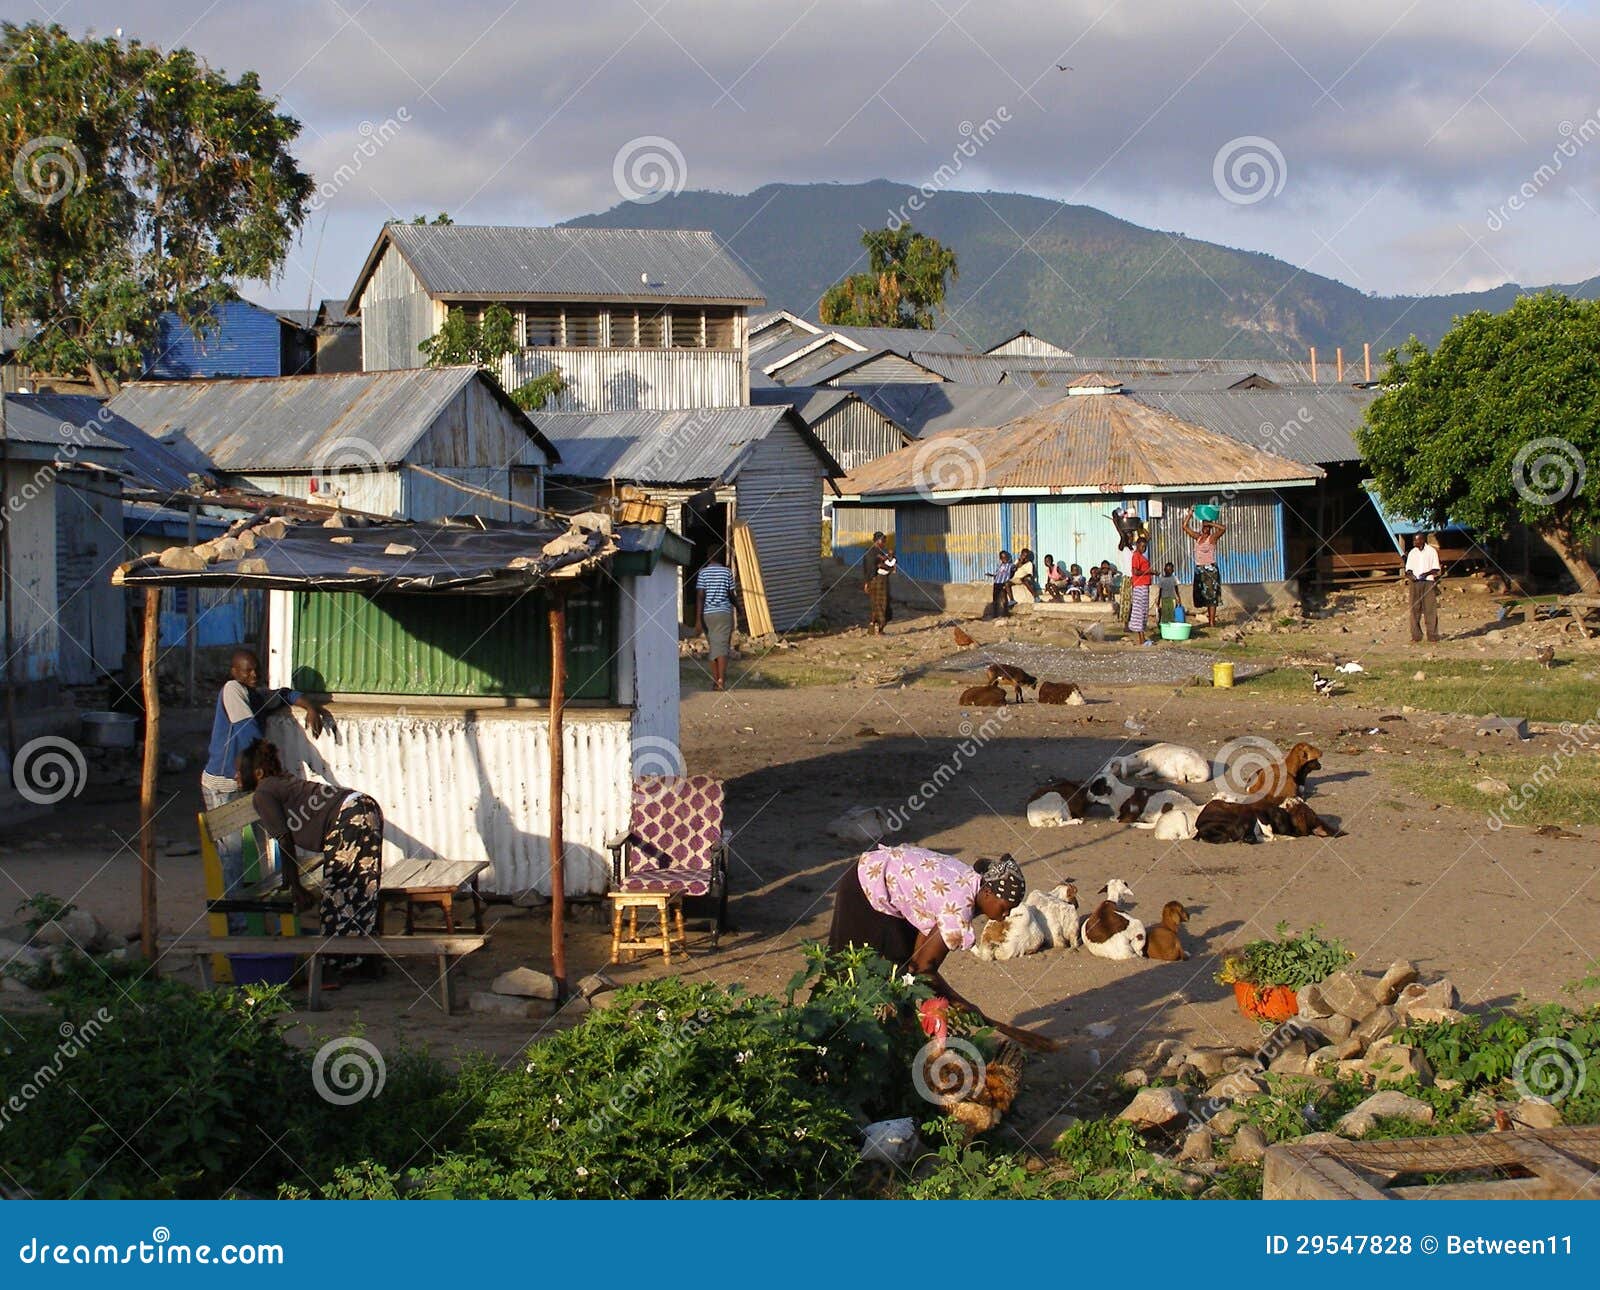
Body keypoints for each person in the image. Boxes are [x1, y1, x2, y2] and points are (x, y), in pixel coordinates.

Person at [827, 844, 1054, 1051]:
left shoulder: (971, 883)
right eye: (1004, 907)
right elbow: (923, 970)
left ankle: (903, 1037)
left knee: (901, 968)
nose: (1006, 915)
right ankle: (831, 1040)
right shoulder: (958, 908)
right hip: (865, 885)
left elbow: (916, 963)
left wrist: (952, 999)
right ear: (987, 893)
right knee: (850, 971)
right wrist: (965, 1005)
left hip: (887, 881)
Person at [200, 649, 332, 932]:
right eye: (247, 670)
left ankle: (270, 914)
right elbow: (249, 732)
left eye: (256, 669)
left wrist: (310, 707)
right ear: (234, 672)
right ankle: (237, 925)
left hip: (247, 784)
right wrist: (273, 769)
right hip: (222, 784)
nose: (254, 674)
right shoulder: (232, 690)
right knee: (232, 855)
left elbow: (285, 694)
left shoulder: (256, 695)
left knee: (270, 843)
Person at [238, 739, 384, 980]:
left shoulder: (263, 792)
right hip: (363, 806)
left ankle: (340, 965)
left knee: (340, 895)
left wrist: (295, 886)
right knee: (360, 891)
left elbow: (284, 840)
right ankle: (362, 962)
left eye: (240, 770)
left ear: (258, 773)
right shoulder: (279, 782)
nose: (236, 776)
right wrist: (290, 882)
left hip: (349, 817)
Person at [695, 547, 737, 692]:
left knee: (714, 647)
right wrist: (739, 607)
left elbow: (700, 596)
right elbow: (731, 594)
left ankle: (715, 680)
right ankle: (721, 681)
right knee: (722, 647)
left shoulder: (703, 573)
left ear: (709, 557)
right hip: (724, 614)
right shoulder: (727, 572)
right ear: (721, 557)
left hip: (708, 615)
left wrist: (698, 619)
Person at [1181, 510, 1227, 627]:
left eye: (1207, 527)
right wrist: (1190, 514)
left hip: (1210, 569)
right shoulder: (1198, 537)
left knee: (1212, 596)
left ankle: (1212, 622)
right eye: (1204, 526)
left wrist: (1211, 523)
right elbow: (1185, 527)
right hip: (1199, 569)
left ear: (1210, 528)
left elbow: (1223, 528)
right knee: (1203, 595)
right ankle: (1209, 620)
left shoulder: (1212, 538)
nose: (1205, 528)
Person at [1405, 531, 1441, 643]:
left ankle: (1432, 636)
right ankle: (1416, 636)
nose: (1414, 542)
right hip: (1415, 583)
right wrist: (1411, 575)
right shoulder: (1412, 553)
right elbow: (1408, 569)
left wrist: (1426, 574)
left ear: (1422, 540)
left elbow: (1436, 569)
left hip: (1428, 582)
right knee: (1414, 609)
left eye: (1416, 540)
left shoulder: (1431, 551)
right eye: (1414, 540)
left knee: (1430, 609)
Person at [862, 532, 895, 635]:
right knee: (881, 604)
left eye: (885, 541)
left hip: (881, 581)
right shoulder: (872, 553)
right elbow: (872, 567)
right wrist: (867, 582)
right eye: (883, 541)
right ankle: (879, 628)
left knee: (877, 604)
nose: (884, 543)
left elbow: (886, 562)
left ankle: (873, 627)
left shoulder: (880, 552)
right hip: (876, 581)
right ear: (877, 541)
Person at [1126, 536, 1154, 645]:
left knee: (1143, 612)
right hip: (1139, 587)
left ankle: (1143, 638)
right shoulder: (1136, 556)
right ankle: (1142, 639)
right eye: (1142, 546)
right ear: (1137, 546)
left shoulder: (1141, 556)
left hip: (1144, 586)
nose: (1144, 548)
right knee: (1140, 612)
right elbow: (1135, 572)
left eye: (1145, 547)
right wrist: (1149, 572)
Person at [989, 550, 1014, 618]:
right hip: (997, 583)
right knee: (995, 599)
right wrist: (991, 575)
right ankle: (995, 613)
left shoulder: (1010, 565)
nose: (1004, 559)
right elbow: (996, 574)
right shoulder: (999, 566)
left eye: (1005, 557)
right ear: (1000, 559)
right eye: (1003, 558)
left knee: (1004, 598)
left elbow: (1012, 571)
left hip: (1003, 583)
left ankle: (1006, 613)